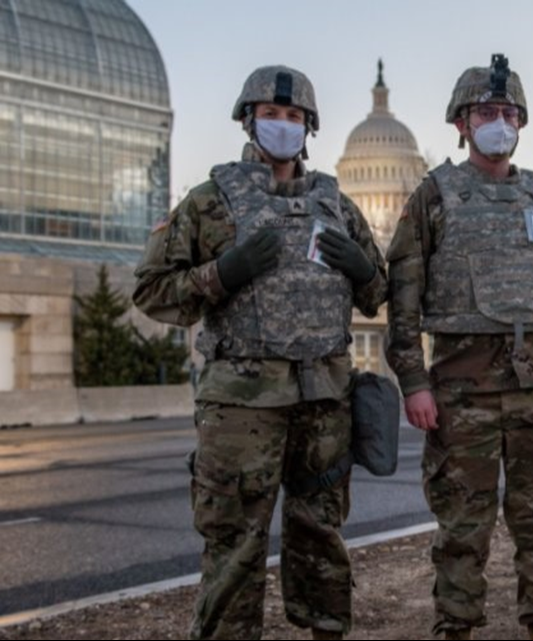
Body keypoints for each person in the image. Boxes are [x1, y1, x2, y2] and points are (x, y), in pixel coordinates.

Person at [133, 65, 387, 640]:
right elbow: (151, 290)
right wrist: (221, 275)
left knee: (322, 534)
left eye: (294, 117)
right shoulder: (209, 202)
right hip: (241, 405)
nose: (282, 126)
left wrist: (362, 266)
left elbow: (377, 293)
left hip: (323, 397)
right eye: (271, 115)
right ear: (249, 121)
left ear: (309, 128)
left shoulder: (336, 205)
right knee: (234, 544)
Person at [384, 54, 533, 641]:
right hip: (462, 392)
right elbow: (402, 292)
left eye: (508, 112)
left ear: (522, 122)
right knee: (462, 527)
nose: (497, 121)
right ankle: (456, 630)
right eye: (486, 111)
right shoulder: (434, 196)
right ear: (461, 122)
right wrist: (414, 380)